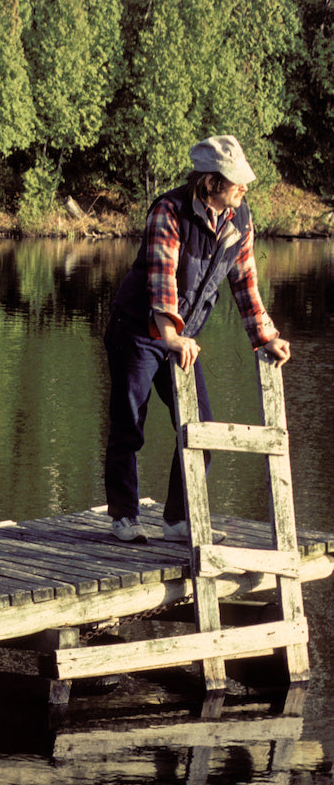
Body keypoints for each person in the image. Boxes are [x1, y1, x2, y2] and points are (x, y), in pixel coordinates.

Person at [102, 134, 291, 543]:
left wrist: (266, 337)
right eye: (235, 180)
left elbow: (245, 283)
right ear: (210, 183)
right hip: (137, 331)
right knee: (129, 426)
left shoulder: (239, 219)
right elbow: (162, 281)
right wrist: (169, 334)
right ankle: (124, 517)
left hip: (179, 337)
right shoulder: (169, 211)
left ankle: (176, 520)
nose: (244, 187)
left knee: (200, 426)